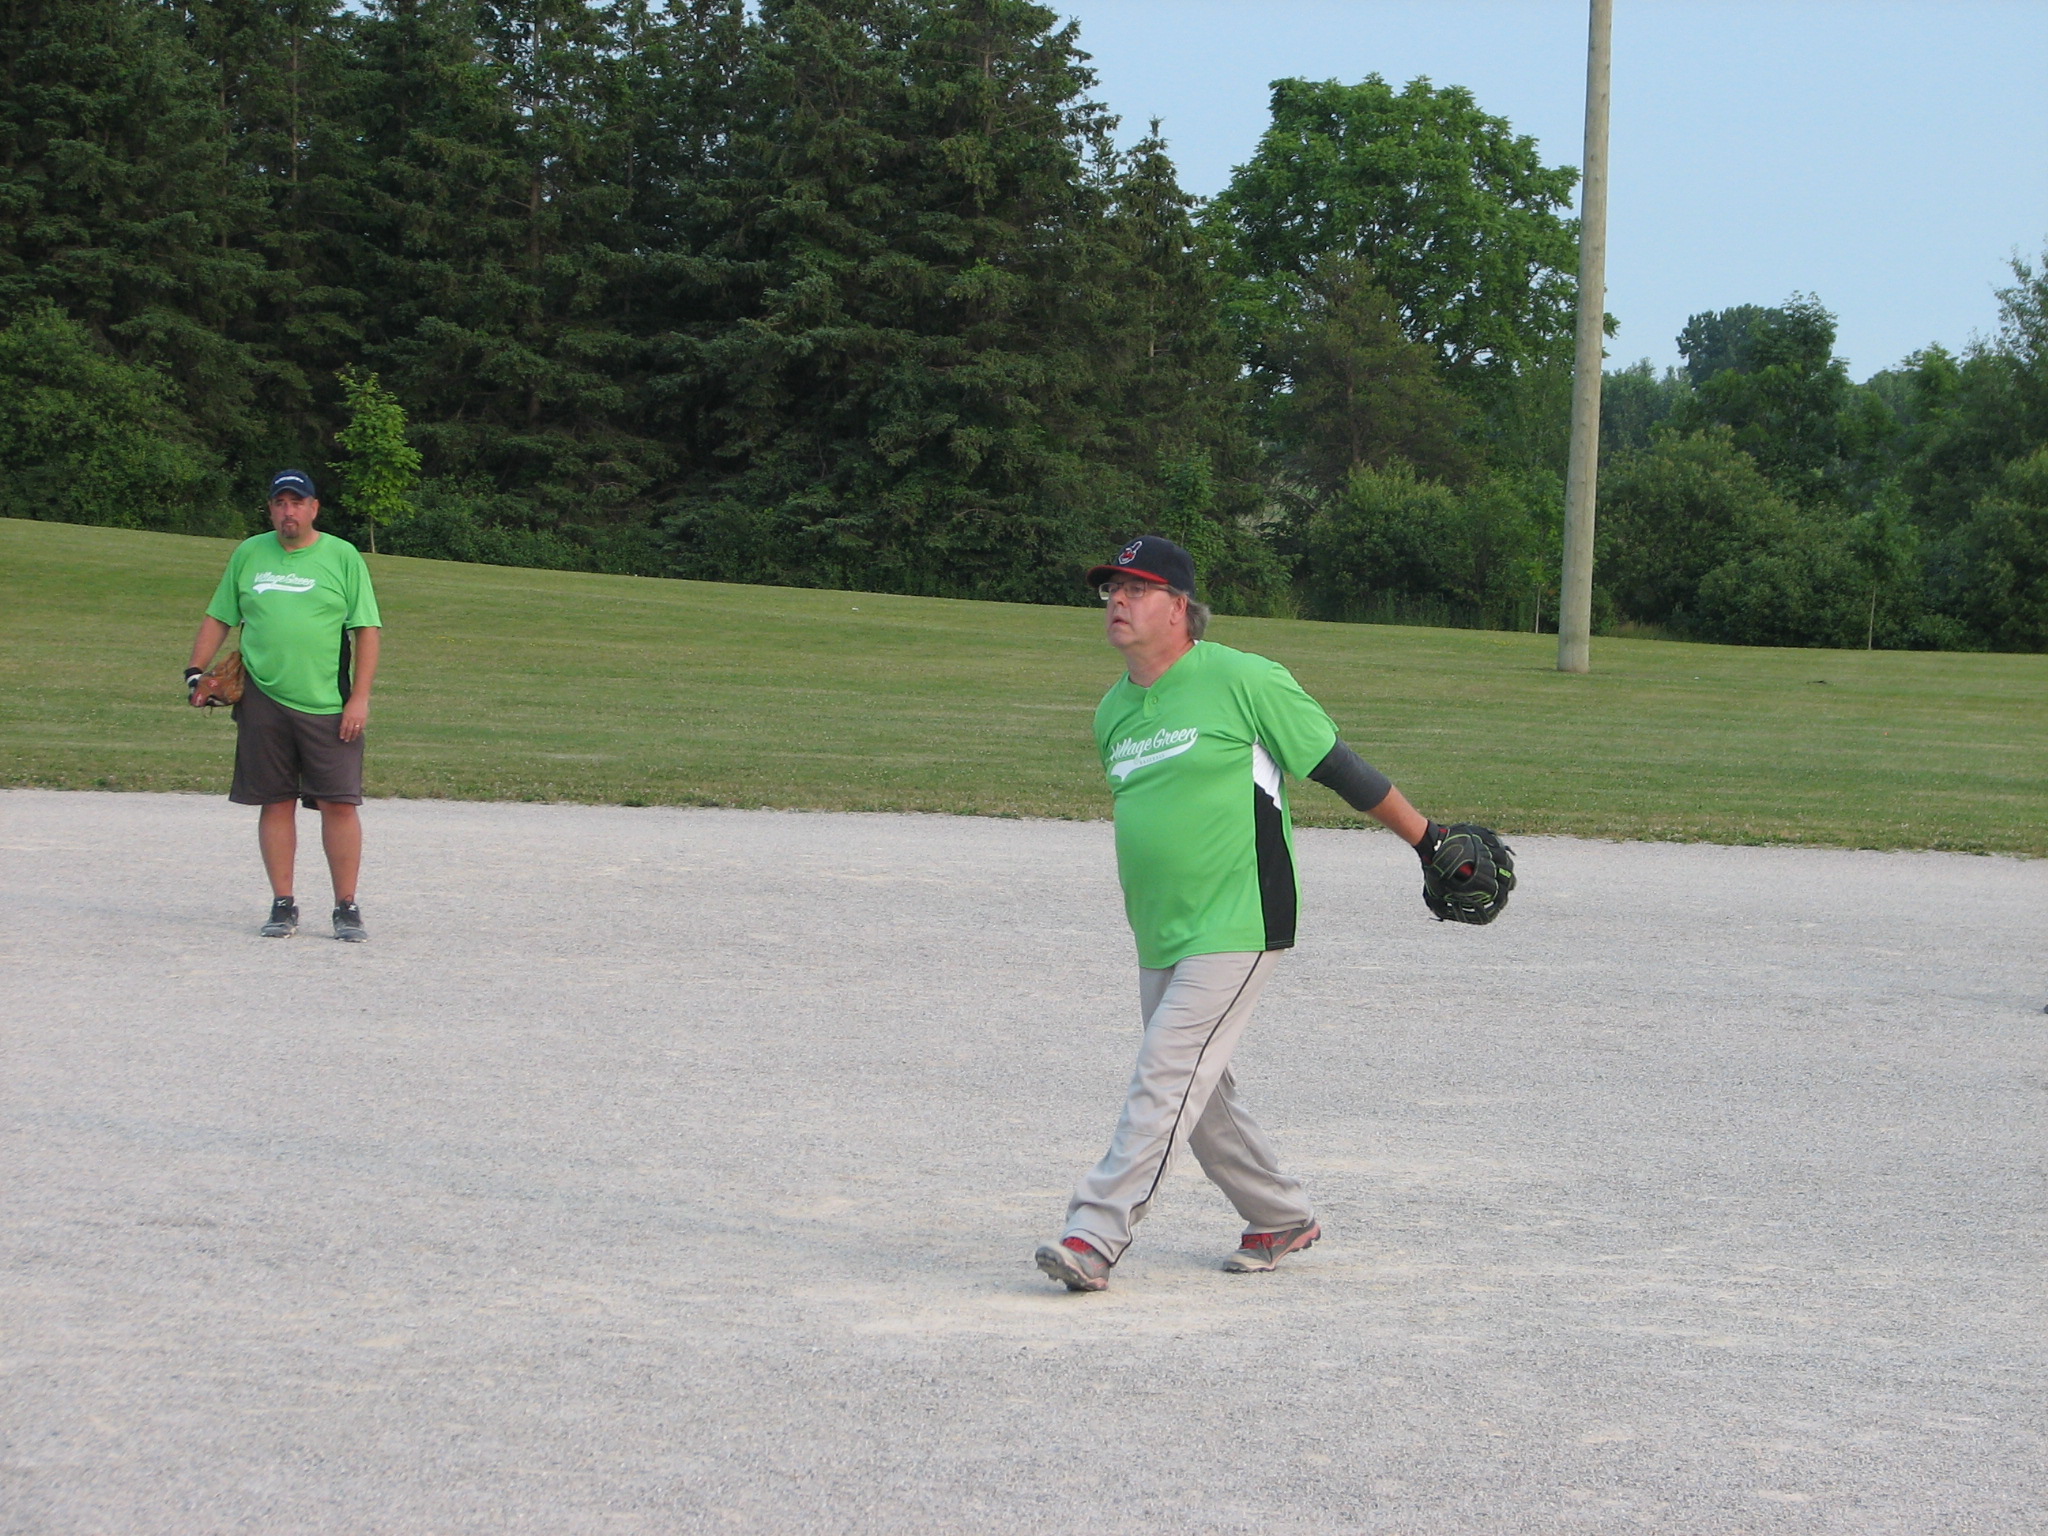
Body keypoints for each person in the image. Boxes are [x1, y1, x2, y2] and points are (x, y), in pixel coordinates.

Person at [1034, 535, 1451, 1292]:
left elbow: (1338, 766)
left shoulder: (1242, 679)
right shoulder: (1112, 713)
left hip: (1240, 917)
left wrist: (1428, 840)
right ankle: (1279, 1214)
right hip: (1162, 929)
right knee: (1202, 1090)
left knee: (1165, 1073)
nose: (1118, 601)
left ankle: (1094, 1233)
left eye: (1136, 588)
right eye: (1110, 589)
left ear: (1181, 609)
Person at [187, 470, 383, 941]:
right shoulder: (250, 553)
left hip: (327, 702)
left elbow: (367, 630)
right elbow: (219, 615)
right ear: (271, 508)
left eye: (298, 502)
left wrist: (359, 697)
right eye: (280, 503)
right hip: (262, 700)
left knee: (338, 802)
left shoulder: (341, 556)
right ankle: (283, 904)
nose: (288, 511)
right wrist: (195, 671)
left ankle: (346, 906)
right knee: (274, 802)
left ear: (314, 508)